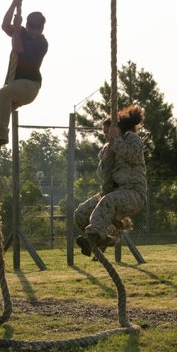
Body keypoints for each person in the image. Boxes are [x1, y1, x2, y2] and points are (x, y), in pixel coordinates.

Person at [0, 0, 47, 160]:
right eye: (32, 27)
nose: (34, 31)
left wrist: (17, 29)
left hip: (30, 86)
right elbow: (5, 25)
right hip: (17, 85)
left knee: (4, 93)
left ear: (42, 29)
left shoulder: (41, 43)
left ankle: (0, 137)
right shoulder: (22, 32)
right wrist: (14, 3)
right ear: (28, 26)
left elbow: (18, 48)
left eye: (38, 28)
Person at [75, 104, 147, 255]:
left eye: (109, 132)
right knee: (81, 213)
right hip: (111, 193)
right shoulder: (107, 149)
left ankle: (92, 238)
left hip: (133, 194)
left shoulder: (132, 139)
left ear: (118, 130)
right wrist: (105, 160)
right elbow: (102, 176)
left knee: (108, 201)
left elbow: (131, 154)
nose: (106, 136)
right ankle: (100, 239)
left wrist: (116, 141)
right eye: (105, 134)